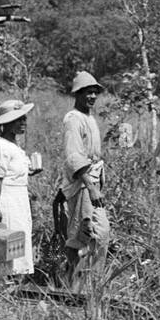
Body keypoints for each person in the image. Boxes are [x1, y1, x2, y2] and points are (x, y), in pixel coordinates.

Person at [59, 71, 110, 283]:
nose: (91, 97)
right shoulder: (73, 119)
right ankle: (71, 279)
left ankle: (83, 279)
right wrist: (91, 186)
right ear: (77, 94)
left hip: (93, 180)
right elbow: (73, 156)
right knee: (86, 232)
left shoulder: (89, 117)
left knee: (93, 232)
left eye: (94, 93)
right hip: (82, 184)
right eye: (87, 93)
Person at [0, 99, 41, 278]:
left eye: (24, 118)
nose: (23, 122)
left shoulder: (14, 146)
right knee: (9, 239)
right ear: (7, 123)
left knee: (21, 237)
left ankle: (16, 278)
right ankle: (4, 278)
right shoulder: (0, 146)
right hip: (7, 199)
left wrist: (31, 170)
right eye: (18, 119)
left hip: (19, 198)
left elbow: (17, 172)